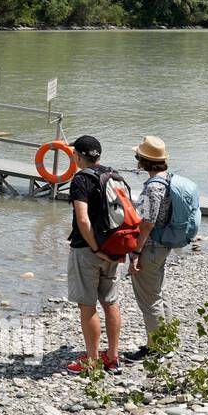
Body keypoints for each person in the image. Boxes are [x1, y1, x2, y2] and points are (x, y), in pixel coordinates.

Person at [65, 134, 123, 374]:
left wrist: (96, 249)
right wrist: (109, 251)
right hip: (114, 249)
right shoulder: (115, 176)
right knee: (111, 302)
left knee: (87, 306)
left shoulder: (81, 180)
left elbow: (82, 219)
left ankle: (91, 361)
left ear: (78, 156)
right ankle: (112, 356)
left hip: (88, 251)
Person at [126, 136, 171, 363]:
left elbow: (147, 223)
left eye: (138, 157)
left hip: (151, 246)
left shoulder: (152, 187)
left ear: (143, 161)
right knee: (158, 293)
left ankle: (155, 349)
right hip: (163, 244)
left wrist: (135, 252)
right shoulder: (168, 179)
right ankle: (167, 343)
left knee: (149, 299)